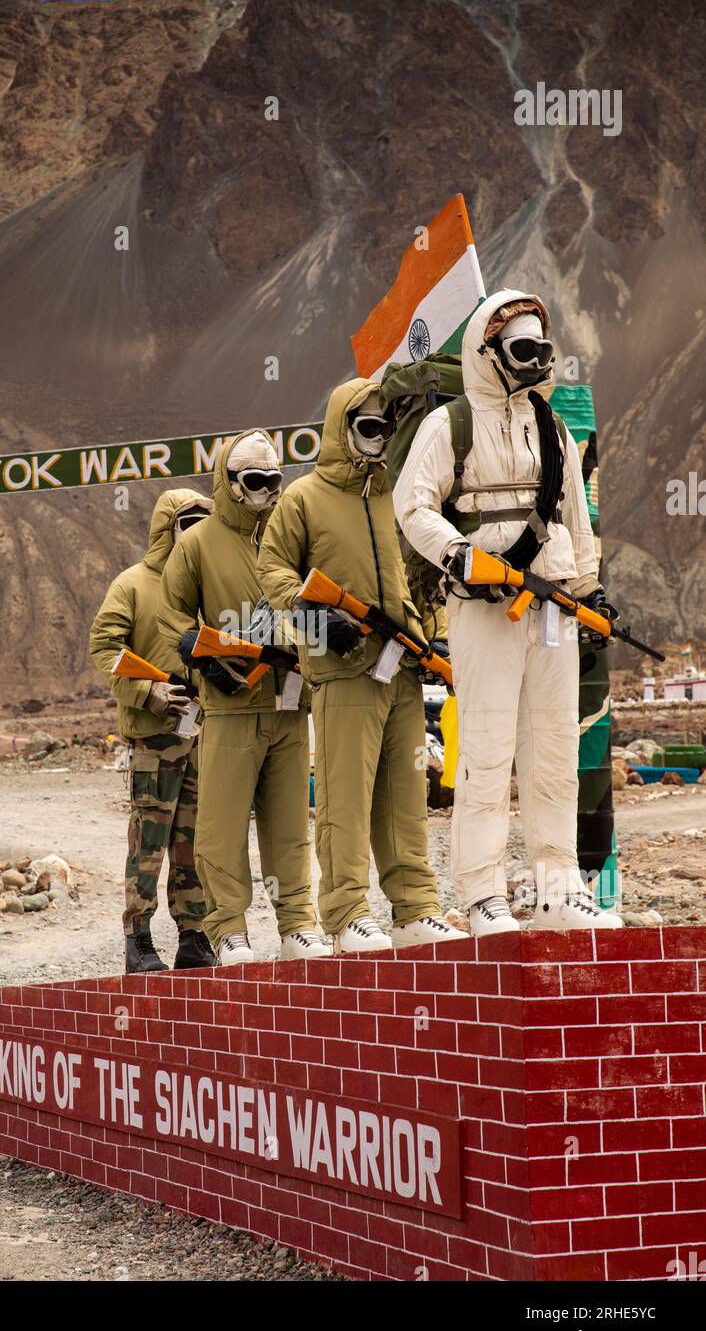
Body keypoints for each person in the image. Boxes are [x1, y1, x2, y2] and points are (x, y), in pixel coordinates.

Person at [393, 288, 623, 933]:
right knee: (487, 748)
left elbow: (573, 515)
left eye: (540, 348)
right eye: (522, 348)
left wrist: (587, 586)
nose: (536, 360)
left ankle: (559, 887)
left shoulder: (550, 426)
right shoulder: (450, 426)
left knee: (554, 746)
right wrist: (460, 555)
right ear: (487, 350)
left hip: (550, 608)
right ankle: (482, 895)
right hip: (484, 609)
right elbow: (413, 506)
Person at [257, 381, 465, 953]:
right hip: (343, 669)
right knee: (344, 799)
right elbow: (272, 570)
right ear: (341, 427)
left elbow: (417, 579)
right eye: (368, 426)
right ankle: (347, 913)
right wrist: (313, 616)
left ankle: (414, 909)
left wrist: (436, 638)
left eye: (385, 427)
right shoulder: (302, 499)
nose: (379, 437)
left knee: (406, 797)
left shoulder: (399, 494)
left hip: (403, 668)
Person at [157, 429, 330, 966]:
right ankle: (229, 928)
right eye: (254, 479)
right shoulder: (198, 544)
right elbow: (171, 613)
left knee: (290, 826)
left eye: (273, 480)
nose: (265, 490)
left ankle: (297, 924)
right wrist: (197, 651)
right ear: (230, 481)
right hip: (231, 705)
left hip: (290, 704)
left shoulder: (291, 535)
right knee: (221, 827)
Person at [89, 487, 217, 973]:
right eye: (189, 522)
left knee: (196, 841)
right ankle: (138, 939)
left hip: (202, 733)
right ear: (168, 528)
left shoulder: (204, 586)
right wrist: (147, 692)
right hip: (154, 737)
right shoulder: (132, 584)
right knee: (149, 840)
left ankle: (193, 935)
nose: (198, 533)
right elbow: (105, 648)